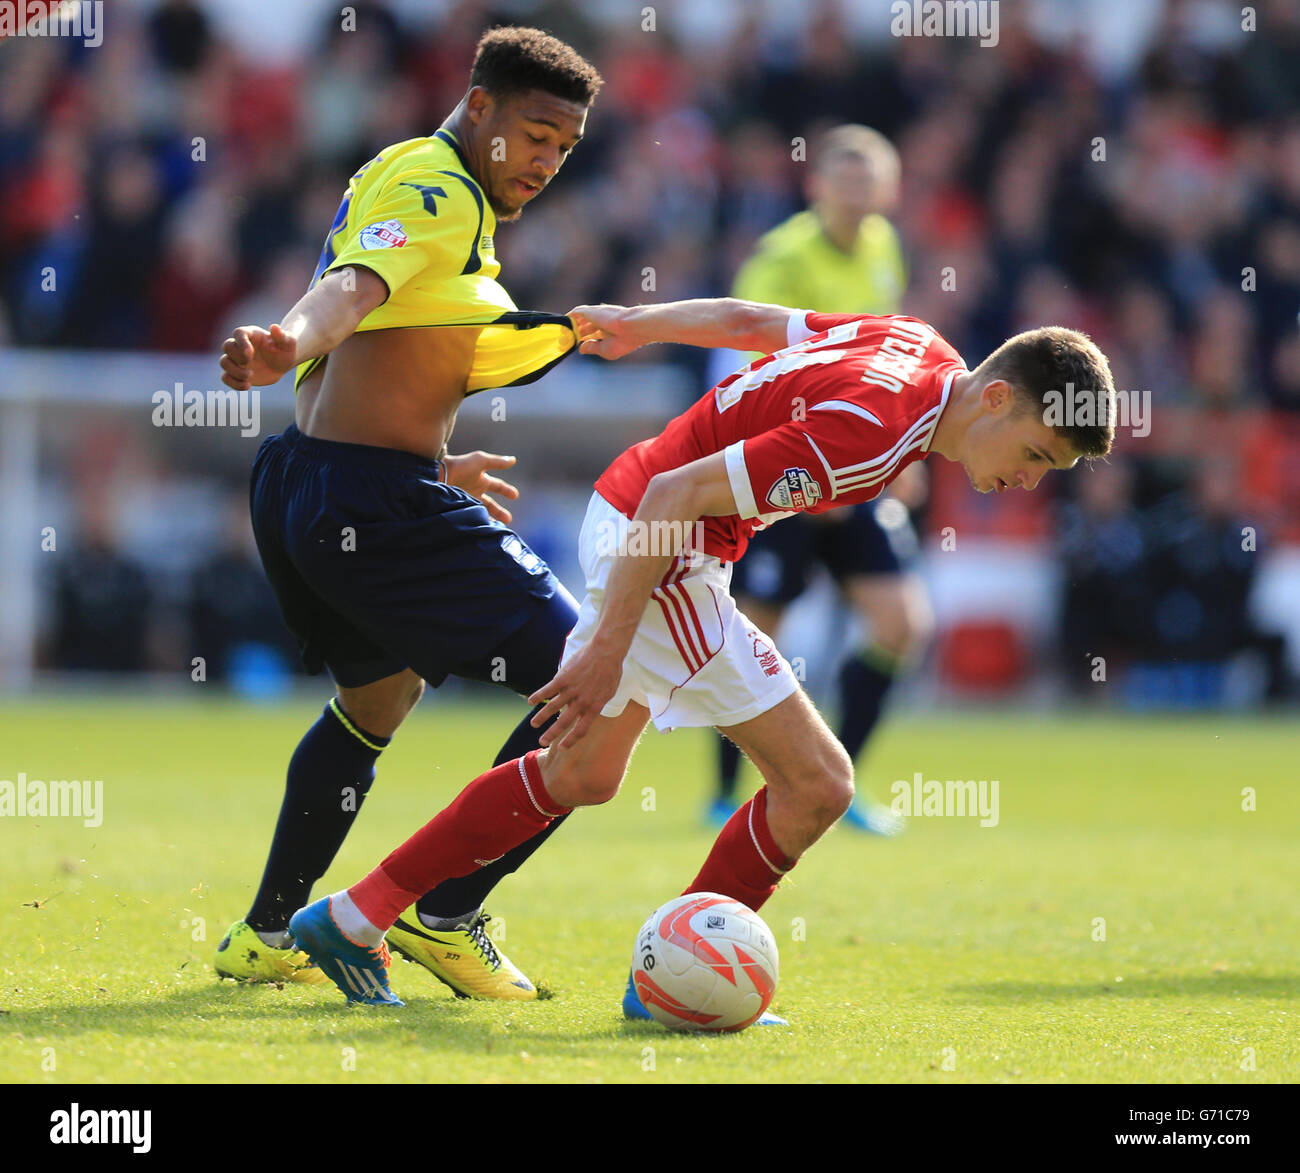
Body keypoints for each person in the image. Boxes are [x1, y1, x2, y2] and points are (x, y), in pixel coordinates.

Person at [286, 295, 1117, 1010]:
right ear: (998, 396)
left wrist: (641, 322)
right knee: (817, 784)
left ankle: (355, 916)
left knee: (584, 773)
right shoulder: (871, 431)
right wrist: (610, 642)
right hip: (667, 541)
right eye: (1037, 453)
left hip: (650, 524)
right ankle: (668, 984)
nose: (1029, 479)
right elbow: (676, 494)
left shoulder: (918, 343)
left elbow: (754, 322)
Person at [212, 27, 603, 1001]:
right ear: (479, 109)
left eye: (566, 146)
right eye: (535, 133)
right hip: (367, 500)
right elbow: (349, 293)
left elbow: (380, 334)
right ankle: (444, 913)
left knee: (376, 701)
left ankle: (266, 935)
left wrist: (429, 457)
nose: (548, 161)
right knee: (593, 690)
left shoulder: (405, 170)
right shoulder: (440, 191)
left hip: (317, 481)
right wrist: (283, 339)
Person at [710, 124, 931, 834]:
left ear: (889, 192)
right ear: (817, 186)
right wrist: (804, 471)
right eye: (846, 180)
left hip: (856, 475)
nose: (858, 194)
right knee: (753, 630)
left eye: (871, 182)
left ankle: (843, 781)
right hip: (787, 469)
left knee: (901, 624)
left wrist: (897, 456)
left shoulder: (883, 249)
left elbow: (889, 369)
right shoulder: (782, 258)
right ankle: (726, 791)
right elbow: (741, 366)